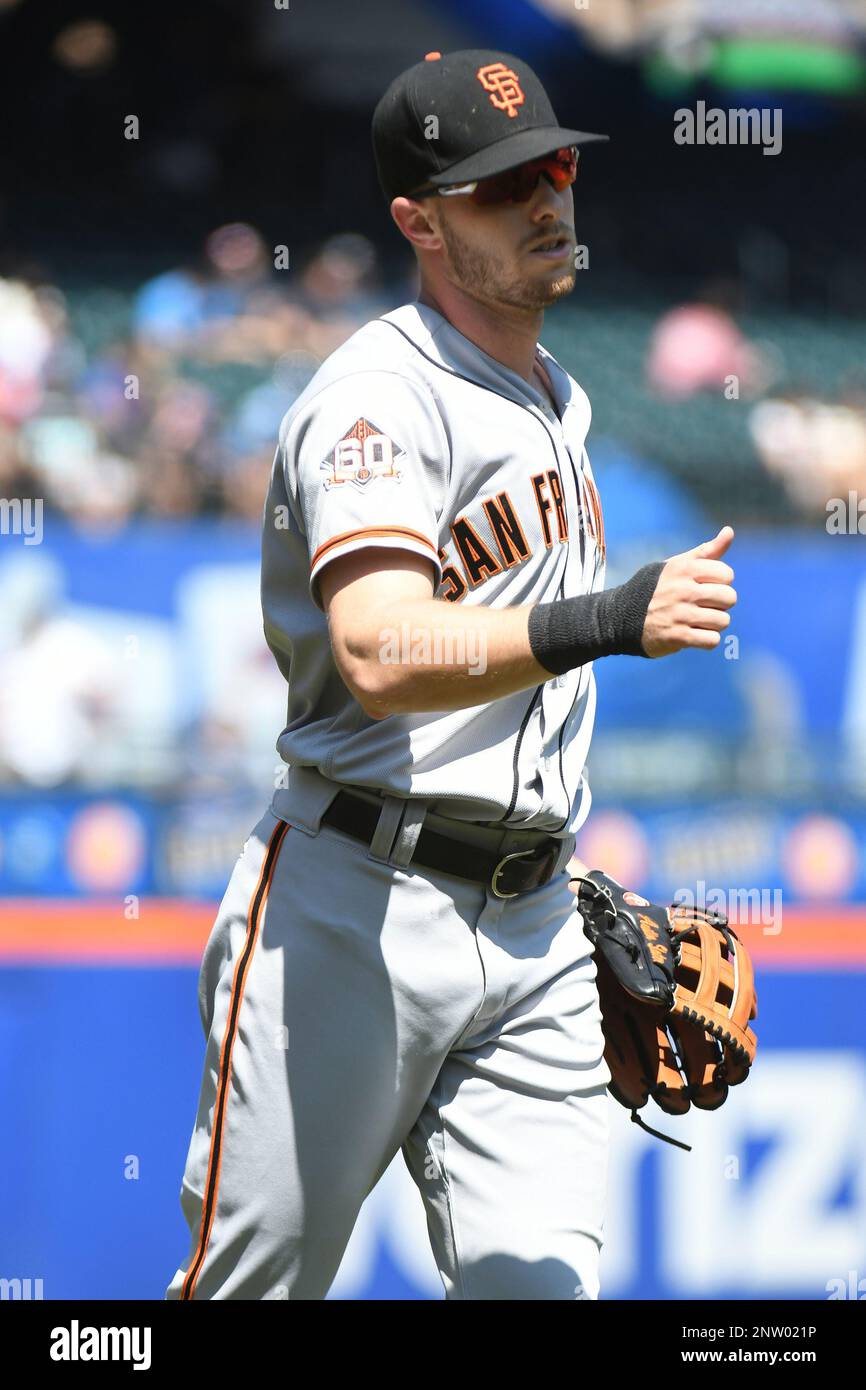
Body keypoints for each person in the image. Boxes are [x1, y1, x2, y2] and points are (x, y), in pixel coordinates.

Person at [166, 48, 737, 1302]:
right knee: (251, 1291)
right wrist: (602, 619)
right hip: (349, 905)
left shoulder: (555, 398)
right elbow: (375, 646)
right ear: (418, 222)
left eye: (553, 166)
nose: (544, 200)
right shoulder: (376, 397)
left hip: (534, 921)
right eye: (496, 186)